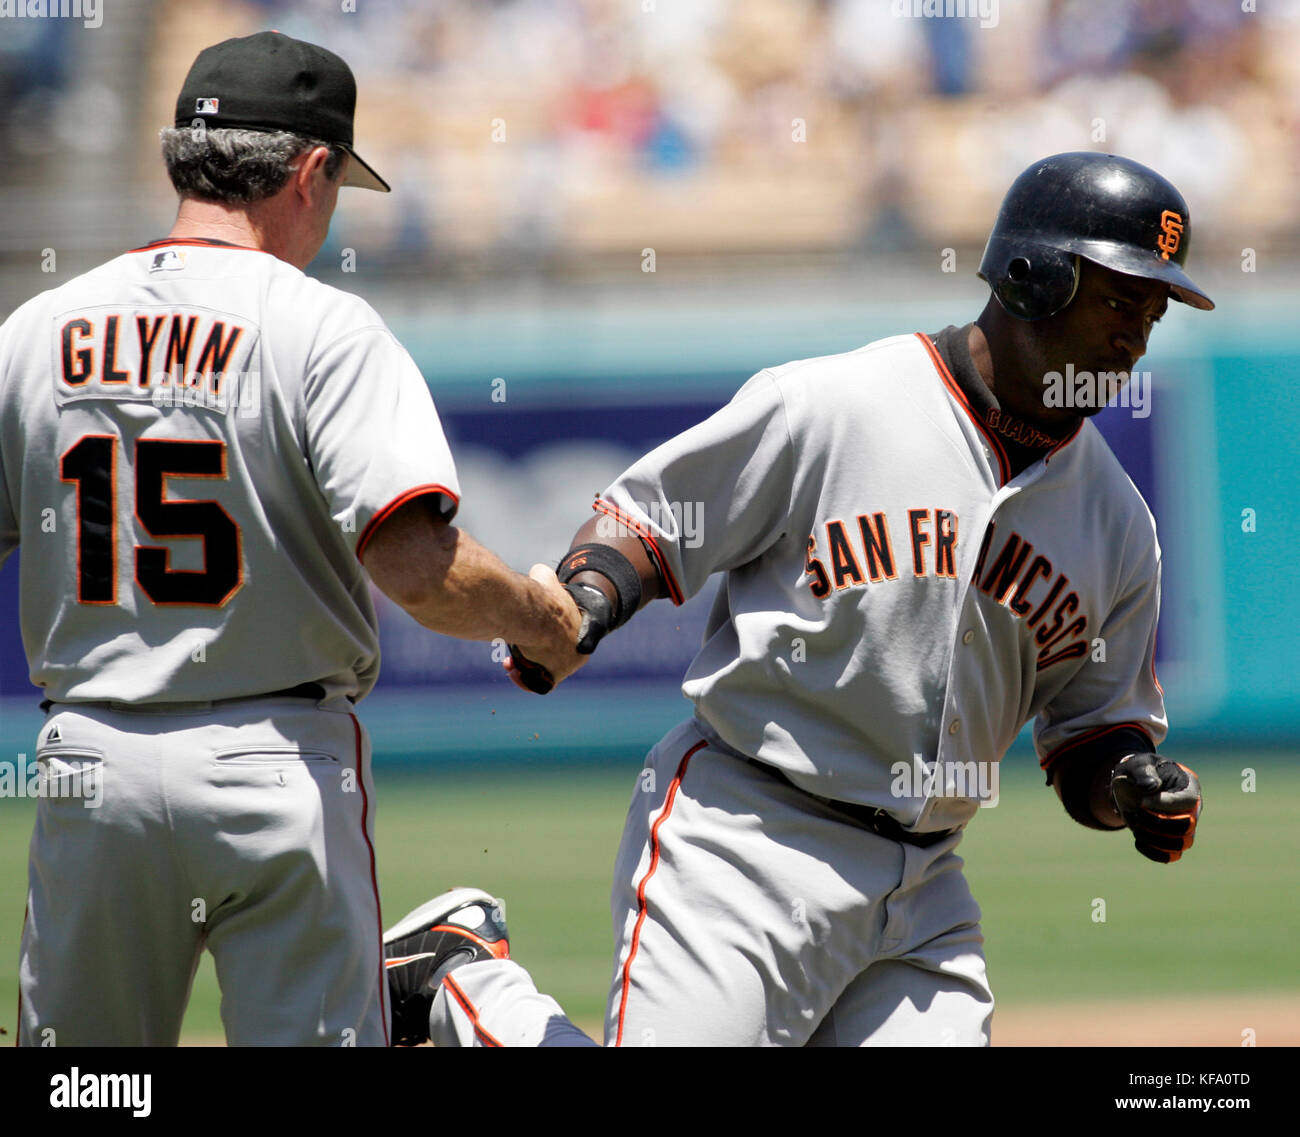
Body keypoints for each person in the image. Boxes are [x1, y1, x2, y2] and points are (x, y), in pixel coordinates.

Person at [385, 151, 1211, 1047]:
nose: (1137, 335)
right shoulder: (840, 404)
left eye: (1154, 311)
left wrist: (1128, 788)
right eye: (1122, 299)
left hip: (923, 888)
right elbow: (656, 520)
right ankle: (464, 982)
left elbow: (1096, 735)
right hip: (745, 839)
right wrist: (584, 601)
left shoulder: (1119, 526)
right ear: (1033, 277)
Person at [0, 30, 581, 1047]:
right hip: (273, 762)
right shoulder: (322, 327)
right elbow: (421, 572)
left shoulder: (37, 327)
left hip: (89, 758)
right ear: (309, 173)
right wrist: (543, 620)